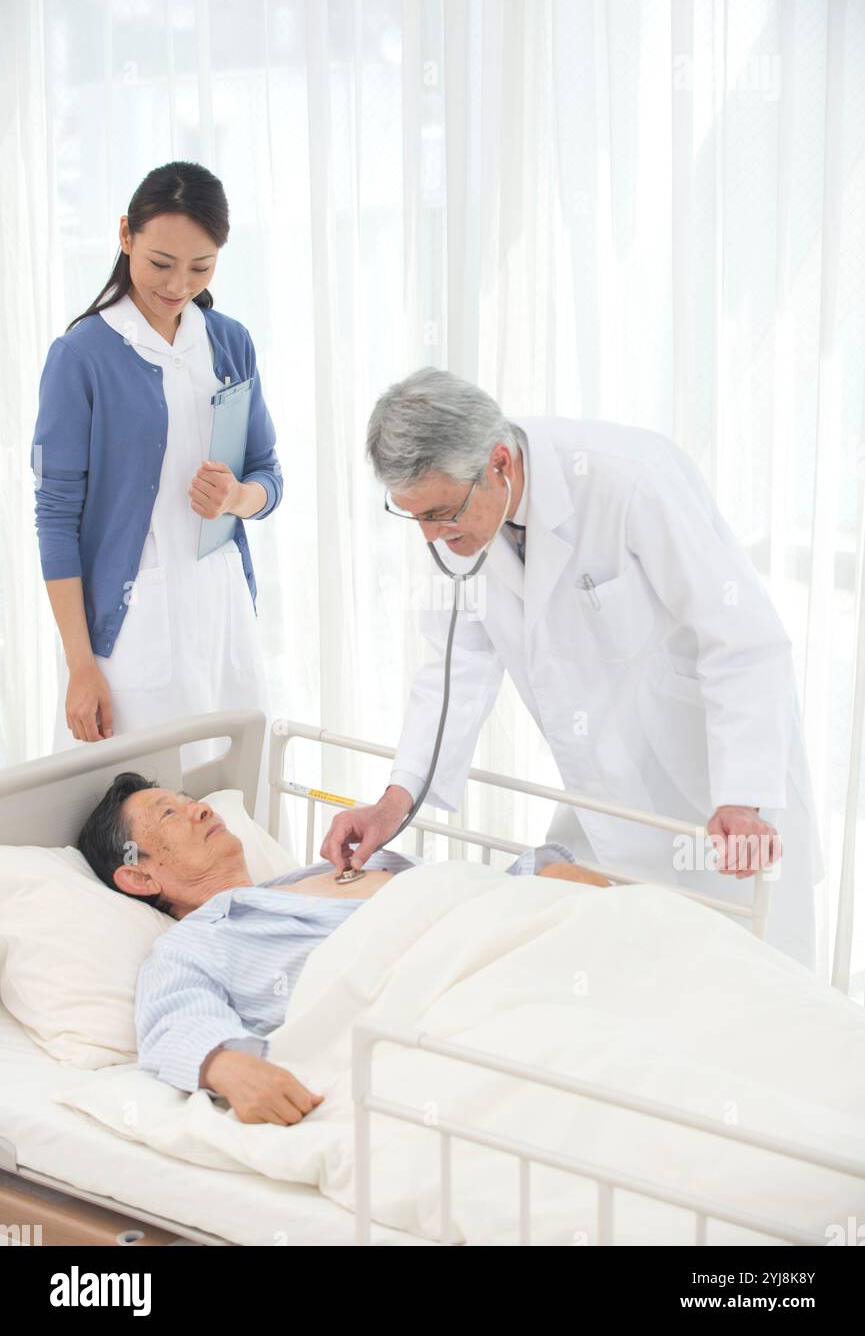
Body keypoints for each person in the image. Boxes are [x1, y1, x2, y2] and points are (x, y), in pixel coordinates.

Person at [321, 368, 824, 970]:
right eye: (414, 516)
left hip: (711, 794)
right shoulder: (461, 529)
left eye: (440, 511)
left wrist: (742, 796)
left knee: (754, 987)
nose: (432, 534)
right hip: (609, 800)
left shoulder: (631, 481)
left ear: (500, 462)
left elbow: (742, 639)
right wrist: (394, 802)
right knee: (632, 985)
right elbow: (458, 667)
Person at [76, 774, 608, 1126]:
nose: (198, 811)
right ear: (138, 874)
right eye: (169, 815)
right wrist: (223, 1064)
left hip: (533, 941)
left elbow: (454, 890)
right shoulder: (197, 942)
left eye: (189, 802)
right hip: (466, 1003)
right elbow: (174, 1018)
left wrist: (538, 874)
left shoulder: (322, 871)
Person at [30, 161, 281, 817]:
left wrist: (236, 499)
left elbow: (268, 475)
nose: (179, 285)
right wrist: (80, 665)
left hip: (223, 605)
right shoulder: (82, 355)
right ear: (125, 236)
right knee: (139, 814)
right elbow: (55, 519)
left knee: (234, 807)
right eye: (162, 263)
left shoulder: (228, 343)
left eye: (200, 268)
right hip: (132, 622)